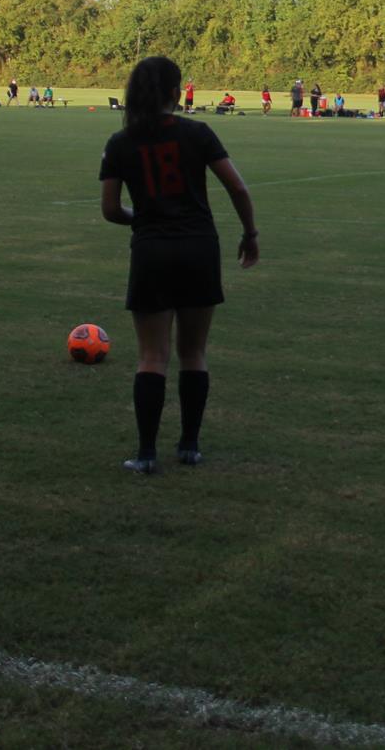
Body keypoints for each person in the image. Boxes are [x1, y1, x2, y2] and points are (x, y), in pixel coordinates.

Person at [99, 55, 259, 474]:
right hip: (198, 249)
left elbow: (111, 209)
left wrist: (145, 219)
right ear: (176, 92)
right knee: (194, 352)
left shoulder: (121, 143)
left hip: (152, 250)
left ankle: (146, 453)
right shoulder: (198, 133)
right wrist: (250, 235)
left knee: (152, 356)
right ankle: (189, 445)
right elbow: (238, 188)